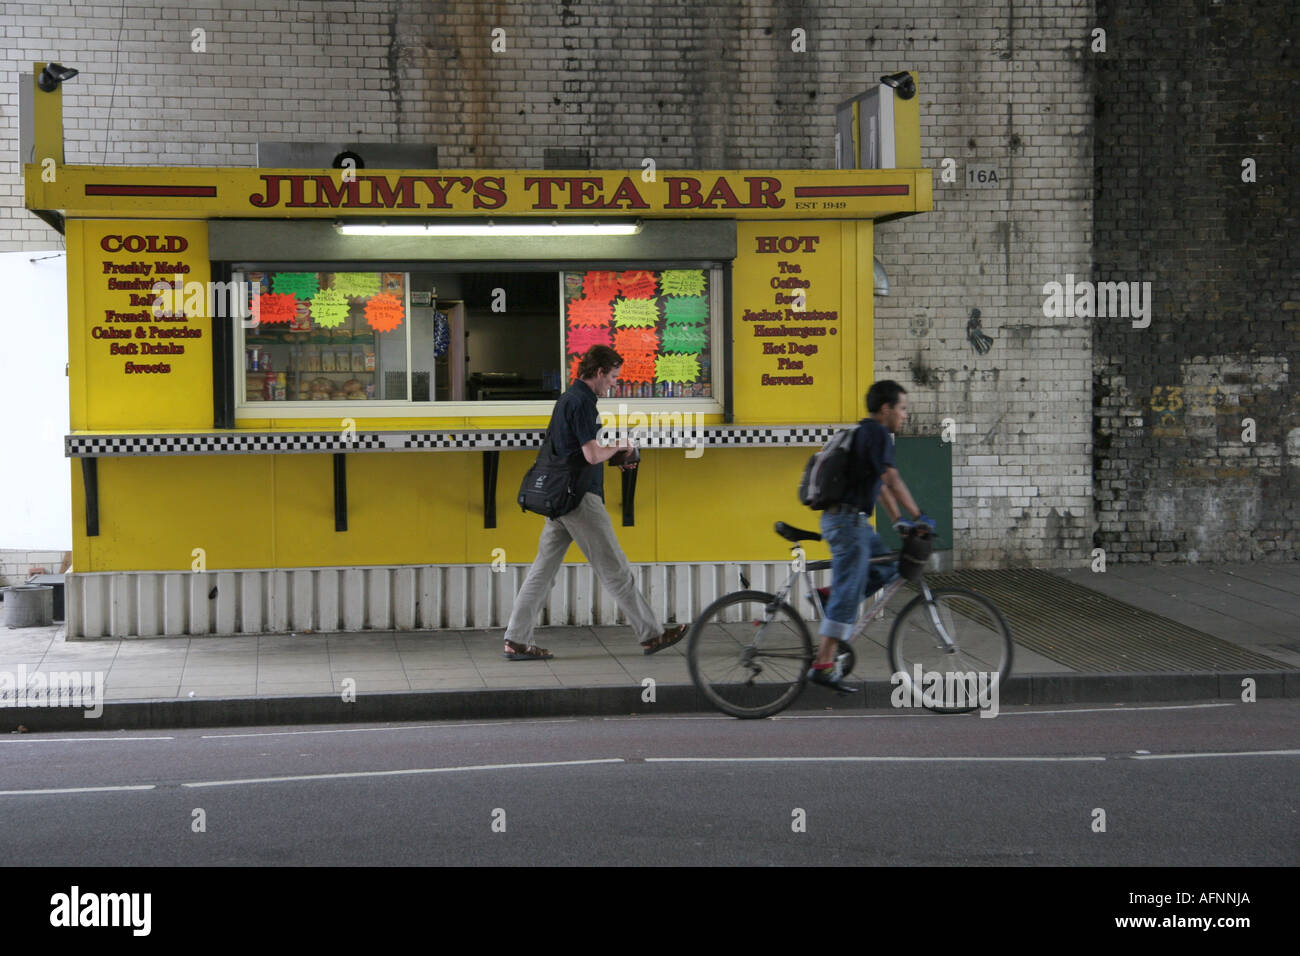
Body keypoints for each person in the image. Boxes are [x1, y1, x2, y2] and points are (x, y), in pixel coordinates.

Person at [502, 345, 689, 660]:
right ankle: (652, 635)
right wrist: (620, 446)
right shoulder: (584, 403)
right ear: (599, 372)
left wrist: (612, 454)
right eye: (613, 377)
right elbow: (590, 455)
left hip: (558, 499)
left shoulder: (566, 400)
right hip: (579, 500)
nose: (614, 383)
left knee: (542, 571)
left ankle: (516, 640)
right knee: (616, 569)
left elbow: (572, 450)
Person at [809, 380, 935, 691]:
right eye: (902, 409)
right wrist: (918, 517)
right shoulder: (877, 433)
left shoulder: (866, 433)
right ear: (886, 409)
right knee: (850, 591)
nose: (904, 415)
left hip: (852, 521)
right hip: (846, 523)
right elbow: (891, 478)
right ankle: (823, 664)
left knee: (887, 568)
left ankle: (830, 597)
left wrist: (897, 521)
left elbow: (877, 485)